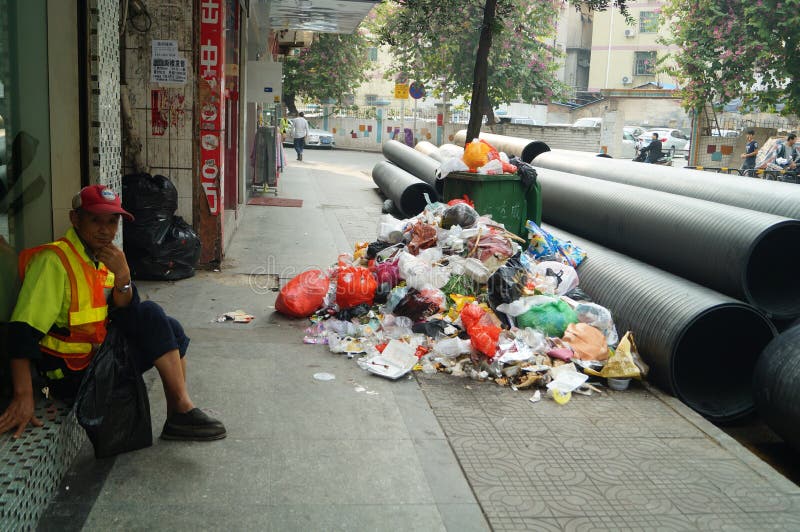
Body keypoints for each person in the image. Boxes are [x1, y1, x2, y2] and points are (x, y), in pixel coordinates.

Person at [0, 185, 226, 441]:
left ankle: (178, 411)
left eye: (112, 221)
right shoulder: (55, 261)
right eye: (95, 220)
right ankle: (182, 410)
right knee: (153, 315)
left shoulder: (103, 259)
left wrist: (123, 276)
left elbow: (128, 313)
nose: (105, 229)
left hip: (97, 360)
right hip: (70, 375)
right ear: (75, 219)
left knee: (168, 326)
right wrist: (23, 396)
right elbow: (21, 331)